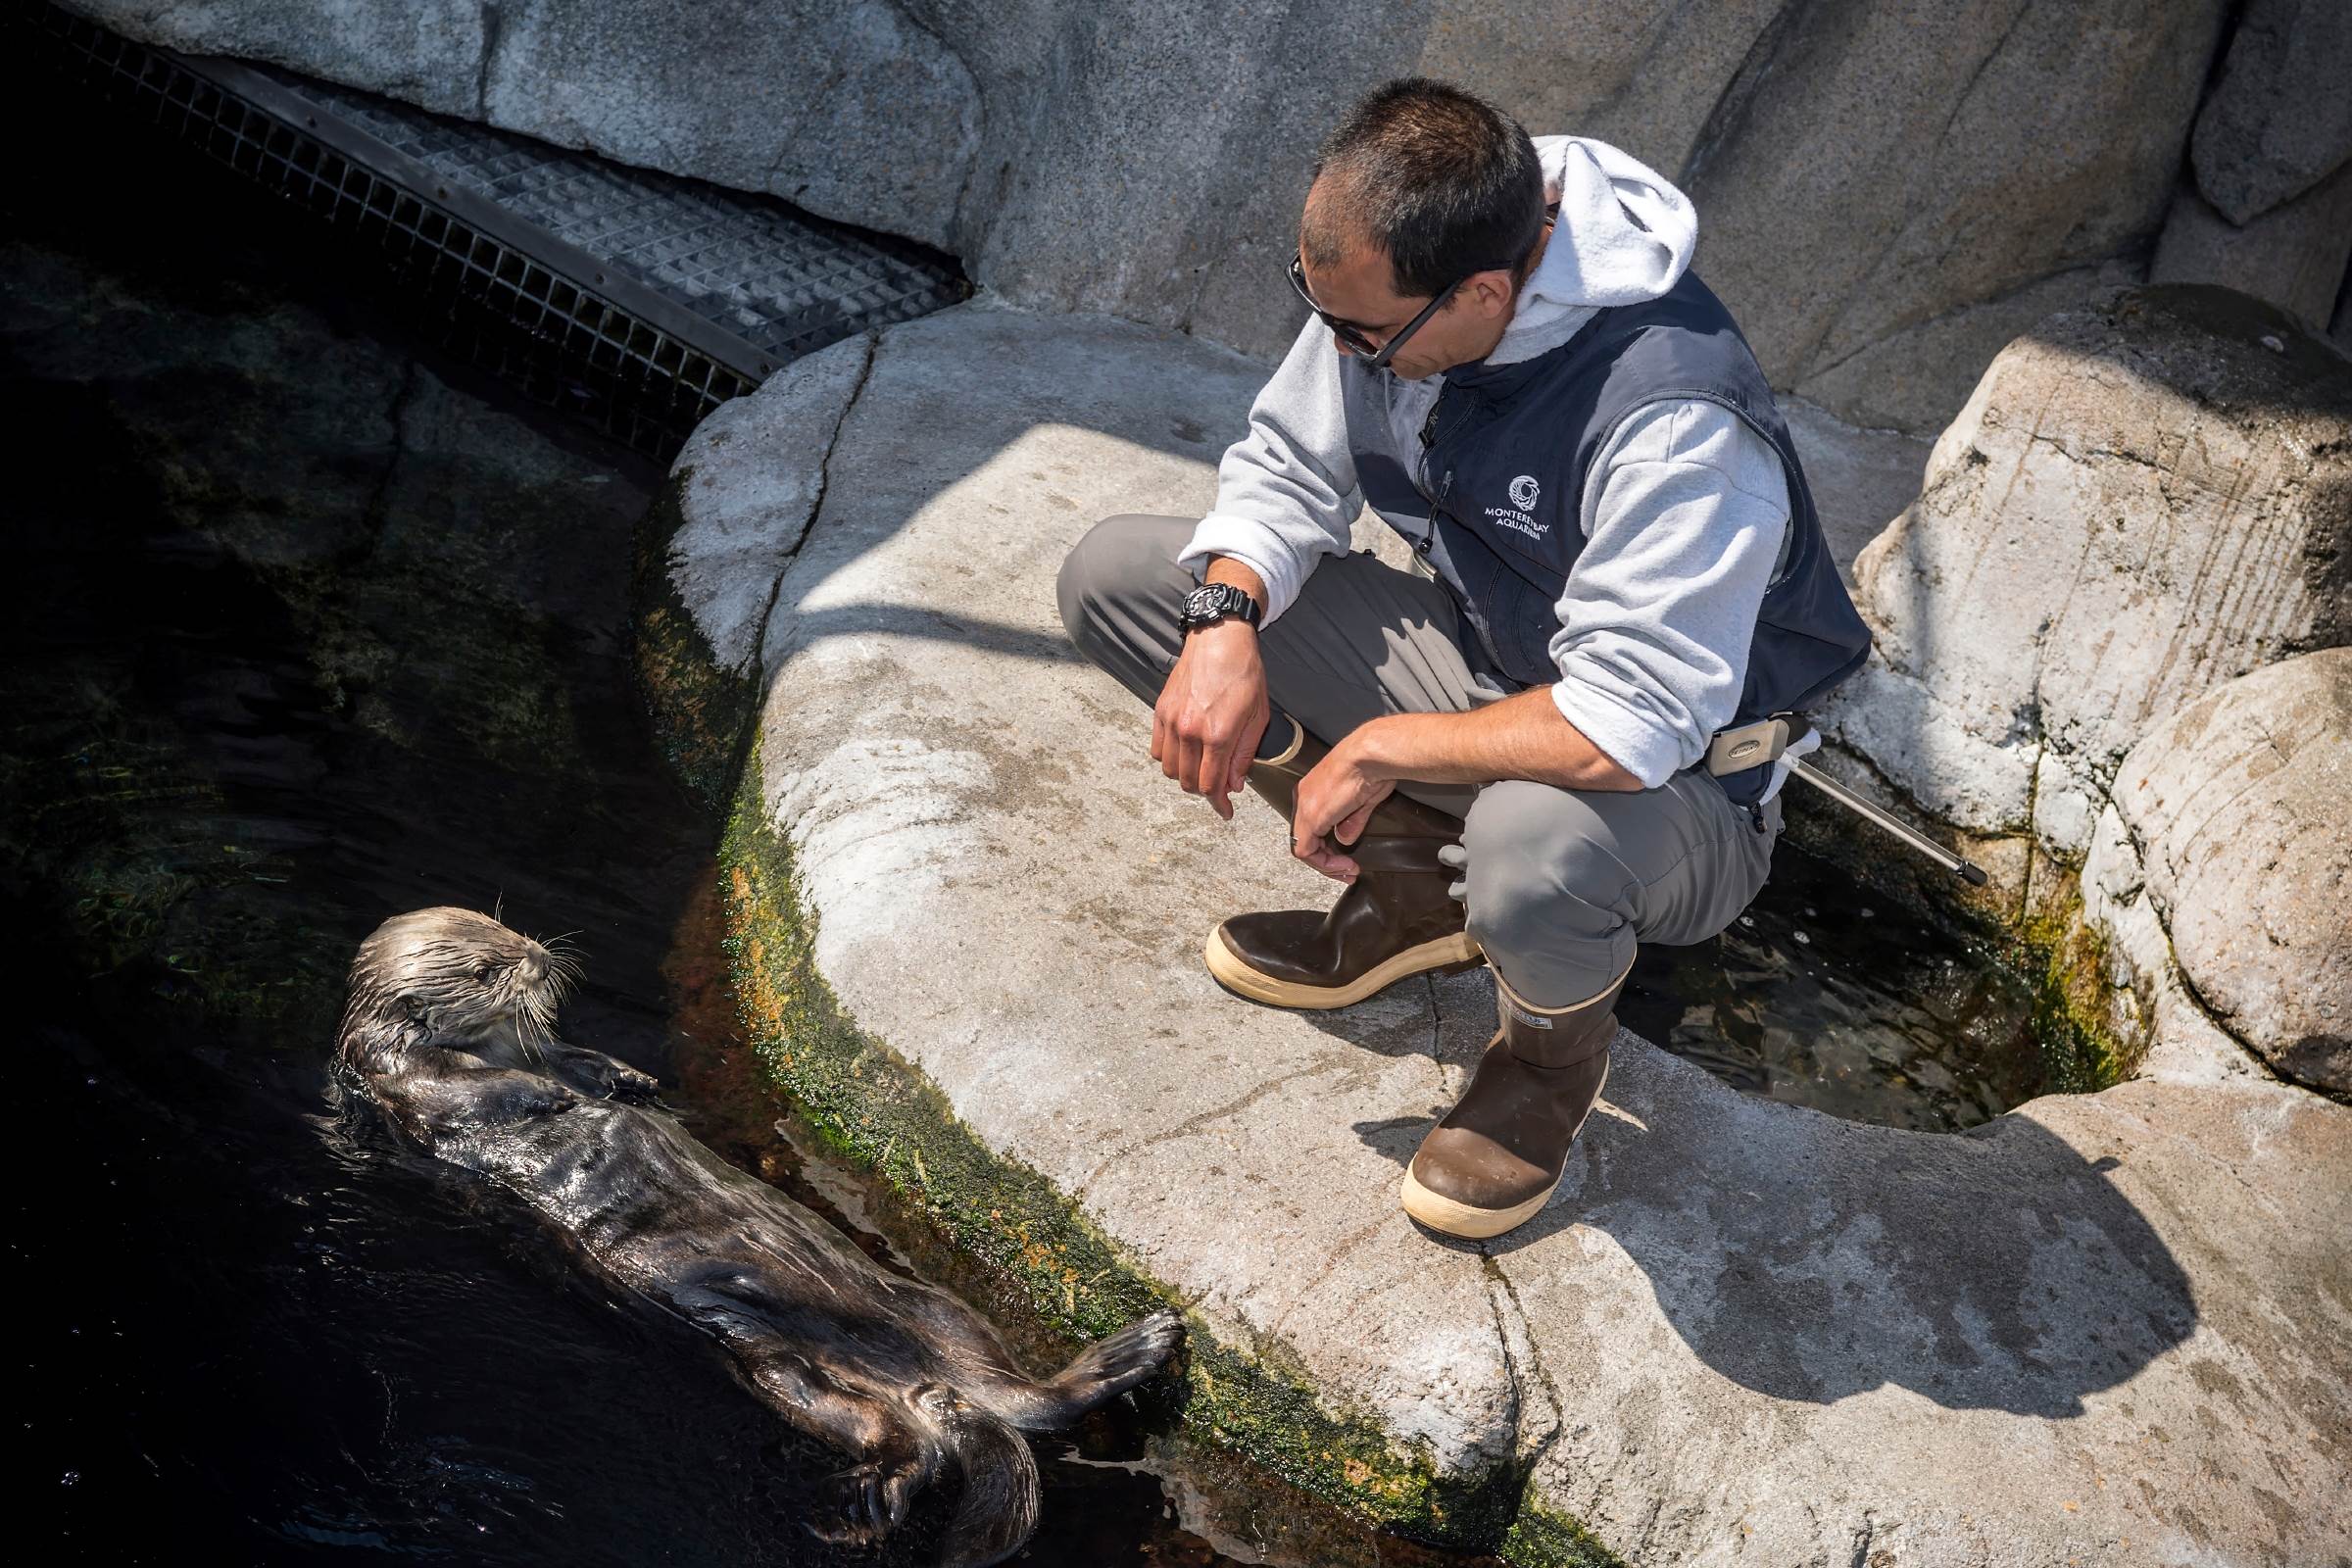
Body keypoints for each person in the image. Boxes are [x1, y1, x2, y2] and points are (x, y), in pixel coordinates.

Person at [1055, 79, 1870, 1241]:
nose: (1341, 349)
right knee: (1127, 583)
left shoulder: (1678, 415)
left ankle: (1543, 1069)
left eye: (1364, 335)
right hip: (1489, 665)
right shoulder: (1406, 275)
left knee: (1527, 842)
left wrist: (1386, 745)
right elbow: (1287, 467)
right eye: (1317, 307)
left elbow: (1623, 724)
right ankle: (1408, 895)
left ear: (1487, 292)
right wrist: (1226, 616)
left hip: (1680, 791)